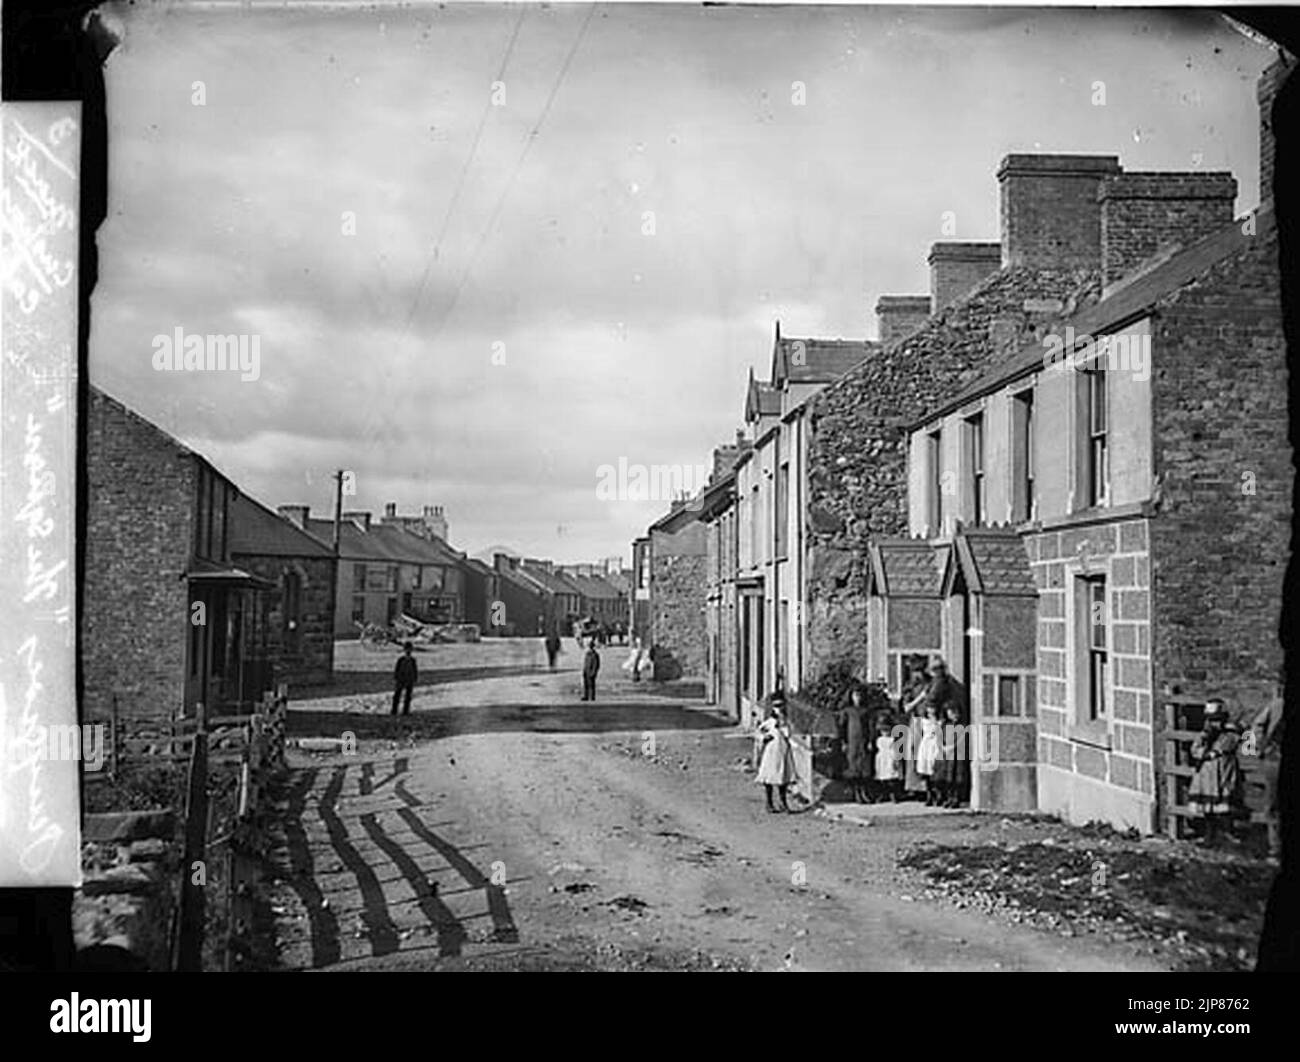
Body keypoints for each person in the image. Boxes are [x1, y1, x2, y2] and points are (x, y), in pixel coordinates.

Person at [1188, 698, 1242, 845]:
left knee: (1226, 806)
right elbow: (1194, 750)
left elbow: (1249, 747)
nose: (1214, 723)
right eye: (1211, 720)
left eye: (1217, 720)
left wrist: (1242, 729)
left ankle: (1229, 834)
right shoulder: (1205, 735)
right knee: (1208, 808)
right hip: (1207, 773)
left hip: (1225, 771)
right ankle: (1209, 836)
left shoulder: (1231, 733)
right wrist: (1205, 751)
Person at [1250, 688, 1285, 863]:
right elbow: (1257, 725)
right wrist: (1262, 747)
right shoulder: (1277, 705)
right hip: (1276, 760)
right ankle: (1275, 850)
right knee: (1274, 804)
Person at [756, 698, 796, 813]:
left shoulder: (786, 722)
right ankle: (769, 803)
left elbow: (789, 734)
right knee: (769, 777)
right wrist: (764, 738)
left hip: (782, 750)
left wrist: (783, 725)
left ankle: (783, 803)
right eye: (777, 707)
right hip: (771, 751)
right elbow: (759, 732)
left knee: (783, 777)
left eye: (781, 706)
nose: (779, 709)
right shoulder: (769, 722)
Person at [836, 685, 871, 804]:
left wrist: (870, 740)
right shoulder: (847, 711)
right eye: (856, 695)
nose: (858, 698)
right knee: (853, 768)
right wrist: (843, 742)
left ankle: (864, 792)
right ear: (851, 697)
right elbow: (842, 727)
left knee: (863, 768)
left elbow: (869, 727)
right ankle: (856, 793)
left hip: (863, 742)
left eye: (860, 695)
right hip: (852, 742)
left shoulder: (865, 710)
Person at [933, 703, 969, 808]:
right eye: (951, 713)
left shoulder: (962, 725)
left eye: (955, 712)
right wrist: (942, 747)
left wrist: (952, 747)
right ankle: (948, 797)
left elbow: (962, 739)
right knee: (947, 777)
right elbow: (939, 737)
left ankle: (956, 798)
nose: (954, 715)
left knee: (957, 777)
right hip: (946, 755)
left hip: (958, 755)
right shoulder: (944, 725)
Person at [916, 703, 941, 806]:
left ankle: (938, 795)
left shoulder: (939, 721)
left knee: (934, 769)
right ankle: (929, 795)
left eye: (933, 708)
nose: (931, 710)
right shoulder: (923, 721)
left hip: (935, 744)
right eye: (929, 708)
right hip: (926, 744)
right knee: (925, 770)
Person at [873, 717, 902, 803]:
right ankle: (884, 794)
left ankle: (893, 794)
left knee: (891, 777)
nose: (885, 733)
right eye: (883, 731)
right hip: (882, 758)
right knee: (882, 778)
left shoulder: (892, 739)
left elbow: (895, 750)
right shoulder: (879, 739)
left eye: (887, 731)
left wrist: (896, 760)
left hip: (890, 757)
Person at [391, 642, 417, 716]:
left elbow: (414, 670)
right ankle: (394, 710)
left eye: (409, 649)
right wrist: (396, 678)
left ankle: (405, 711)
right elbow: (397, 670)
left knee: (408, 696)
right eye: (407, 649)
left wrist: (414, 678)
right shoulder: (401, 660)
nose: (408, 651)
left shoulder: (413, 660)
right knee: (397, 695)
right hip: (401, 679)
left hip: (409, 679)